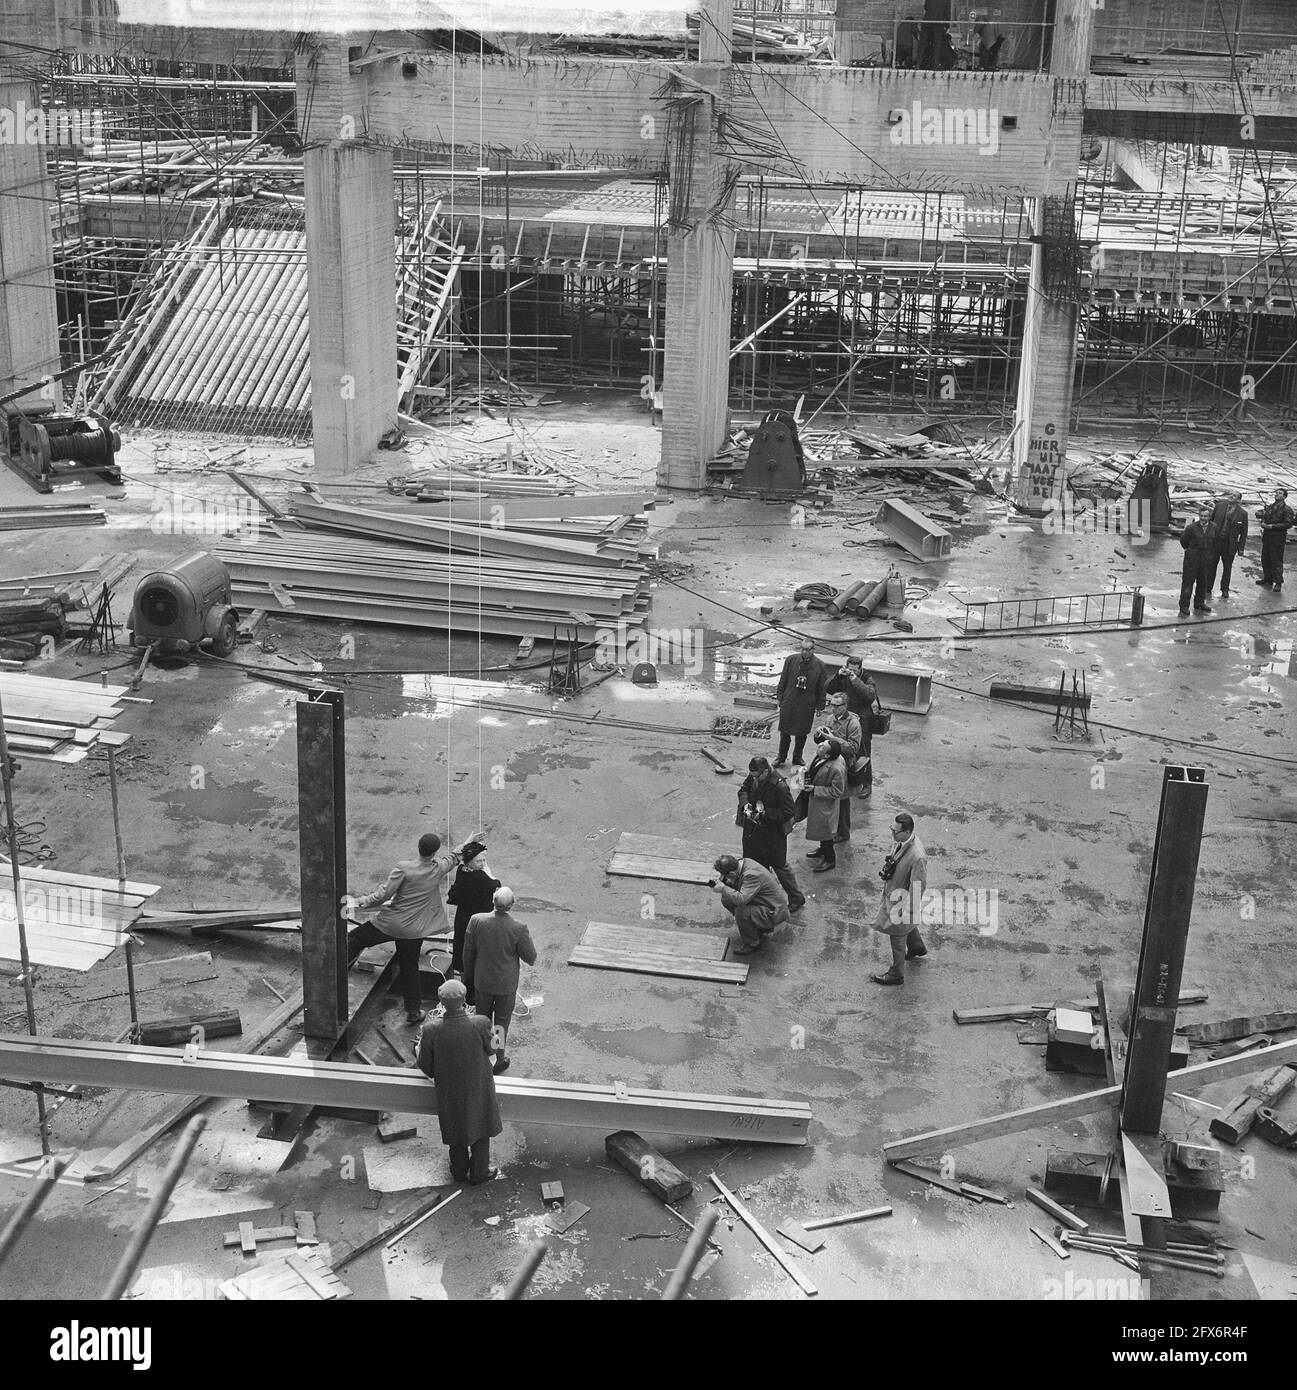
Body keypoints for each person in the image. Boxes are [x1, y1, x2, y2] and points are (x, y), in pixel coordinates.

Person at [343, 832, 467, 1024]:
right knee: (410, 968)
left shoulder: (404, 869)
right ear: (434, 852)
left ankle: (338, 974)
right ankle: (413, 1011)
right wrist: (467, 844)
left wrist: (359, 902)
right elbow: (453, 858)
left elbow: (382, 896)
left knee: (355, 939)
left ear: (418, 846)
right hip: (414, 931)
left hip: (390, 924)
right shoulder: (437, 869)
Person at [416, 979, 501, 1185]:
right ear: (464, 1000)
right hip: (478, 1087)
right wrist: (499, 1030)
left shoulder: (431, 1030)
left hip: (449, 1090)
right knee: (480, 1128)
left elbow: (425, 1066)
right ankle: (480, 1172)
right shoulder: (480, 1023)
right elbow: (494, 1049)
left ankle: (459, 1170)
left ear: (441, 1002)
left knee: (455, 1129)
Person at [464, 886, 536, 1076]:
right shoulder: (519, 928)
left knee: (482, 1019)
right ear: (512, 905)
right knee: (500, 1024)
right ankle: (497, 1057)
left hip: (483, 980)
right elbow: (530, 957)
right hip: (505, 984)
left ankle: (482, 1054)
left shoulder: (476, 920)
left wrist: (469, 976)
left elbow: (468, 952)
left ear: (493, 901)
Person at [735, 756, 805, 910]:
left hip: (772, 835)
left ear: (766, 771)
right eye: (752, 776)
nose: (754, 779)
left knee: (780, 867)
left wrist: (765, 814)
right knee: (754, 866)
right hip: (753, 833)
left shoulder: (780, 786)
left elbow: (788, 812)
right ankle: (763, 898)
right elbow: (743, 790)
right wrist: (745, 804)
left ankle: (796, 897)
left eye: (756, 776)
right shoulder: (754, 776)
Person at [870, 812, 928, 986]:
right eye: (892, 829)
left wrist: (908, 909)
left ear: (907, 831)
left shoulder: (917, 856)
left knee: (897, 934)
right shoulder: (901, 841)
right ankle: (917, 947)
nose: (892, 834)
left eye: (896, 831)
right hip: (894, 895)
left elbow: (918, 886)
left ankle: (896, 974)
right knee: (905, 928)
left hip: (902, 902)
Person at [446, 840, 501, 991]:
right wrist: (490, 874)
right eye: (479, 861)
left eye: (484, 860)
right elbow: (497, 886)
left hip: (463, 918)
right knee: (476, 954)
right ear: (469, 862)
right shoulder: (480, 878)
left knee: (463, 951)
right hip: (477, 921)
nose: (483, 863)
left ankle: (465, 986)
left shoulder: (461, 871)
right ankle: (472, 992)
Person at [711, 852, 790, 956]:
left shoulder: (752, 875)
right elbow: (741, 886)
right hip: (765, 903)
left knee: (741, 911)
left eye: (725, 875)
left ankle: (752, 943)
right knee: (727, 899)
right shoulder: (744, 863)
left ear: (732, 874)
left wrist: (723, 888)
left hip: (774, 912)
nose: (722, 877)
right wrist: (726, 882)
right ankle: (758, 927)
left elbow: (741, 899)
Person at [826, 656, 879, 797]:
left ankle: (867, 784)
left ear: (860, 668)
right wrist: (837, 676)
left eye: (854, 670)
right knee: (843, 749)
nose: (851, 672)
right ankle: (849, 779)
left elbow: (869, 696)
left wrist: (855, 679)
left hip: (862, 720)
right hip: (845, 717)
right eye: (849, 669)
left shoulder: (867, 678)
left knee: (864, 752)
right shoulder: (843, 676)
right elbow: (829, 689)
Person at [816, 692, 863, 844]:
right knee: (830, 799)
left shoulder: (853, 724)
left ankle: (844, 832)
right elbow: (822, 742)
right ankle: (832, 829)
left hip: (844, 765)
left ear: (845, 706)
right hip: (829, 762)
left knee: (842, 800)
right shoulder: (830, 719)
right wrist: (819, 736)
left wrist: (832, 738)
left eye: (837, 706)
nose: (833, 708)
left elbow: (853, 748)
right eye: (831, 704)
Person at [774, 638, 828, 768]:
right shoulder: (791, 660)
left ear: (813, 650)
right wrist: (780, 697)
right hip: (789, 702)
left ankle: (797, 757)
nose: (804, 652)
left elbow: (821, 688)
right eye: (802, 649)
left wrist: (820, 706)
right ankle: (781, 757)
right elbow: (783, 679)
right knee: (785, 732)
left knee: (801, 734)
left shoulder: (820, 665)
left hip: (806, 705)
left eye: (807, 650)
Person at [803, 736, 847, 872]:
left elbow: (837, 791)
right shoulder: (820, 755)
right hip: (816, 802)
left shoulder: (836, 768)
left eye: (823, 746)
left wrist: (815, 789)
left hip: (825, 806)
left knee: (827, 833)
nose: (820, 745)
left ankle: (830, 859)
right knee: (822, 831)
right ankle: (822, 850)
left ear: (827, 755)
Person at [1178, 502, 1215, 617]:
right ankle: (1184, 606)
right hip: (1192, 560)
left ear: (1209, 517)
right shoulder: (1191, 528)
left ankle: (1199, 603)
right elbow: (1183, 541)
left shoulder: (1214, 527)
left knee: (1203, 583)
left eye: (1206, 516)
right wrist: (1189, 551)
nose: (1203, 518)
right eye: (1202, 516)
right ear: (1199, 516)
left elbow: (1214, 541)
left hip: (1205, 559)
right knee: (1188, 583)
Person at [1209, 492, 1248, 598]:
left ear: (1239, 500)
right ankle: (1208, 588)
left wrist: (1241, 548)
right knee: (1211, 565)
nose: (1231, 496)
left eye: (1234, 496)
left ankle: (1225, 589)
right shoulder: (1219, 506)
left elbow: (1244, 533)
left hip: (1230, 544)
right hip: (1216, 542)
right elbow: (1210, 522)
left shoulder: (1243, 514)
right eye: (1230, 494)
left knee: (1227, 568)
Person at [1257, 487, 1296, 591]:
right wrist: (1263, 522)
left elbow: (1288, 524)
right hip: (1267, 536)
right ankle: (1268, 579)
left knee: (1276, 560)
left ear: (1284, 497)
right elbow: (1265, 516)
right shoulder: (1270, 507)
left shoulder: (1287, 509)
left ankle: (1278, 582)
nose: (1277, 494)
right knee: (1265, 558)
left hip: (1278, 538)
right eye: (1276, 493)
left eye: (1280, 493)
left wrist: (1272, 527)